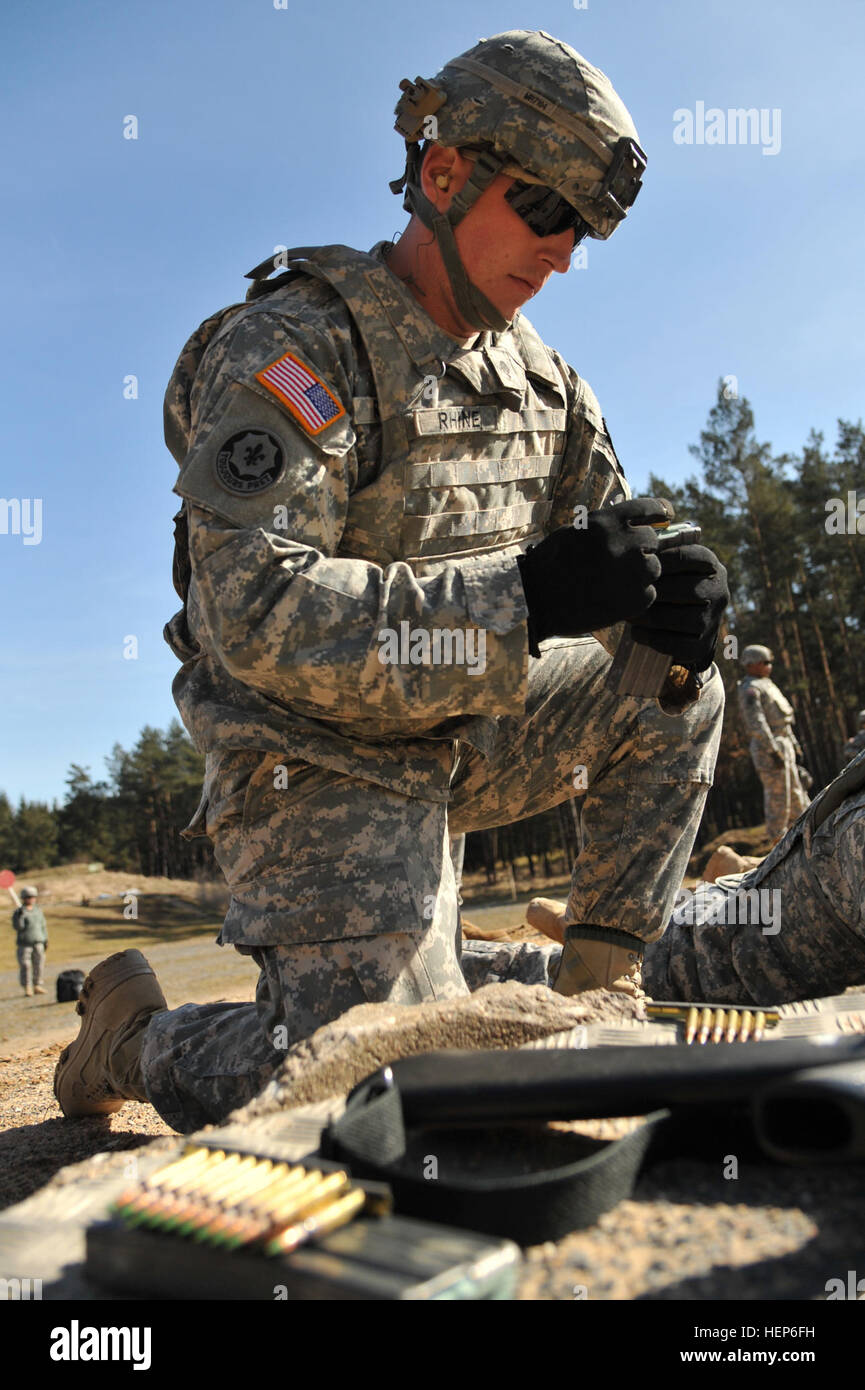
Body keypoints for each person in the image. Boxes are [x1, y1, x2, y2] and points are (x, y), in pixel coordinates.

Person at [55, 30, 728, 1133]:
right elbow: (255, 613)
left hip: (464, 740)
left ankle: (597, 998)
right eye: (543, 210)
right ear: (444, 174)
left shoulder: (547, 388)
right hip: (313, 761)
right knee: (388, 1080)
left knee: (675, 675)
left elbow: (612, 562)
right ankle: (130, 1036)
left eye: (582, 228)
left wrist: (671, 595)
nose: (560, 254)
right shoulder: (301, 347)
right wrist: (526, 603)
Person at [528, 749, 865, 1006]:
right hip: (684, 960)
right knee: (533, 968)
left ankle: (582, 926)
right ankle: (583, 927)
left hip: (727, 917)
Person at [737, 645, 810, 841]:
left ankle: (808, 836)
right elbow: (756, 723)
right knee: (778, 798)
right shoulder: (750, 689)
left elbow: (784, 720)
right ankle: (778, 843)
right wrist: (772, 750)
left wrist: (794, 744)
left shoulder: (768, 684)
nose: (769, 666)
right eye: (765, 662)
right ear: (751, 665)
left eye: (770, 662)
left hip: (783, 741)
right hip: (768, 747)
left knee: (796, 793)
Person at [13, 887, 48, 997]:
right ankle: (27, 986)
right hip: (25, 943)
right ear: (23, 898)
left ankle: (37, 985)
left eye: (32, 897)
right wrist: (20, 916)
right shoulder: (19, 912)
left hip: (38, 942)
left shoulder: (38, 911)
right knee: (25, 965)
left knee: (39, 964)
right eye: (28, 897)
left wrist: (45, 939)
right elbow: (18, 927)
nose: (31, 899)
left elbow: (43, 926)